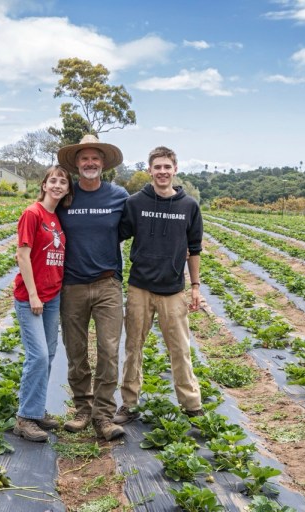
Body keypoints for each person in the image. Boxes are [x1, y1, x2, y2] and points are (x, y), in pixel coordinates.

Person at [114, 145, 204, 425]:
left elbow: (195, 248)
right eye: (157, 167)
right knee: (134, 347)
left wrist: (196, 286)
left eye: (167, 167)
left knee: (180, 348)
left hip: (173, 290)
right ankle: (129, 403)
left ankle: (191, 404)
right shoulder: (135, 203)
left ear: (175, 170)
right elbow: (115, 235)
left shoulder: (189, 206)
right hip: (139, 287)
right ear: (149, 170)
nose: (162, 172)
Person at [56, 134, 129, 441]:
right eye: (84, 159)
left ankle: (103, 415)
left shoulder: (119, 196)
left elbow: (136, 228)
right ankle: (82, 409)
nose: (89, 163)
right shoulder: (65, 197)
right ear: (76, 164)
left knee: (109, 351)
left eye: (95, 159)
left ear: (103, 164)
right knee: (75, 351)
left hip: (107, 284)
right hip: (71, 286)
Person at [13, 165, 74, 442]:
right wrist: (34, 294)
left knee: (48, 356)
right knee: (37, 356)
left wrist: (49, 295)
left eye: (63, 181)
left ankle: (36, 411)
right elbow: (22, 256)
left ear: (67, 188)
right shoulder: (33, 213)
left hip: (52, 296)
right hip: (31, 298)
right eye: (53, 180)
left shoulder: (55, 218)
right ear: (44, 184)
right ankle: (24, 418)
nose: (58, 185)